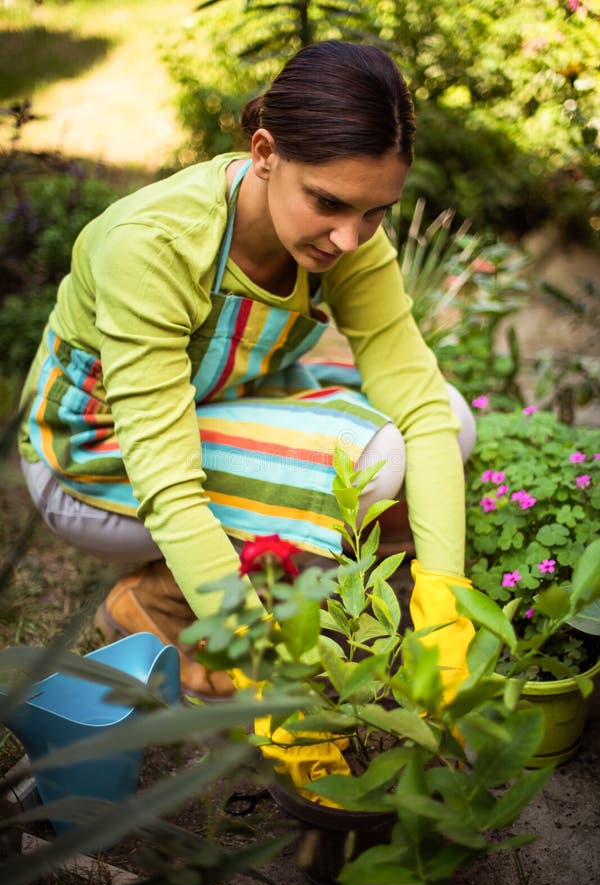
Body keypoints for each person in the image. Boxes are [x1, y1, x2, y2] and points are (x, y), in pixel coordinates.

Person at [18, 40, 476, 700]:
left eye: (376, 210)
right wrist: (256, 659)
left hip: (212, 403)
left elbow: (423, 403)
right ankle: (174, 605)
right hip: (92, 460)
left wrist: (444, 597)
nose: (350, 238)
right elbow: (168, 479)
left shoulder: (346, 240)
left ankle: (185, 594)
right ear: (264, 154)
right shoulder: (158, 243)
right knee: (371, 460)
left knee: (452, 423)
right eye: (328, 202)